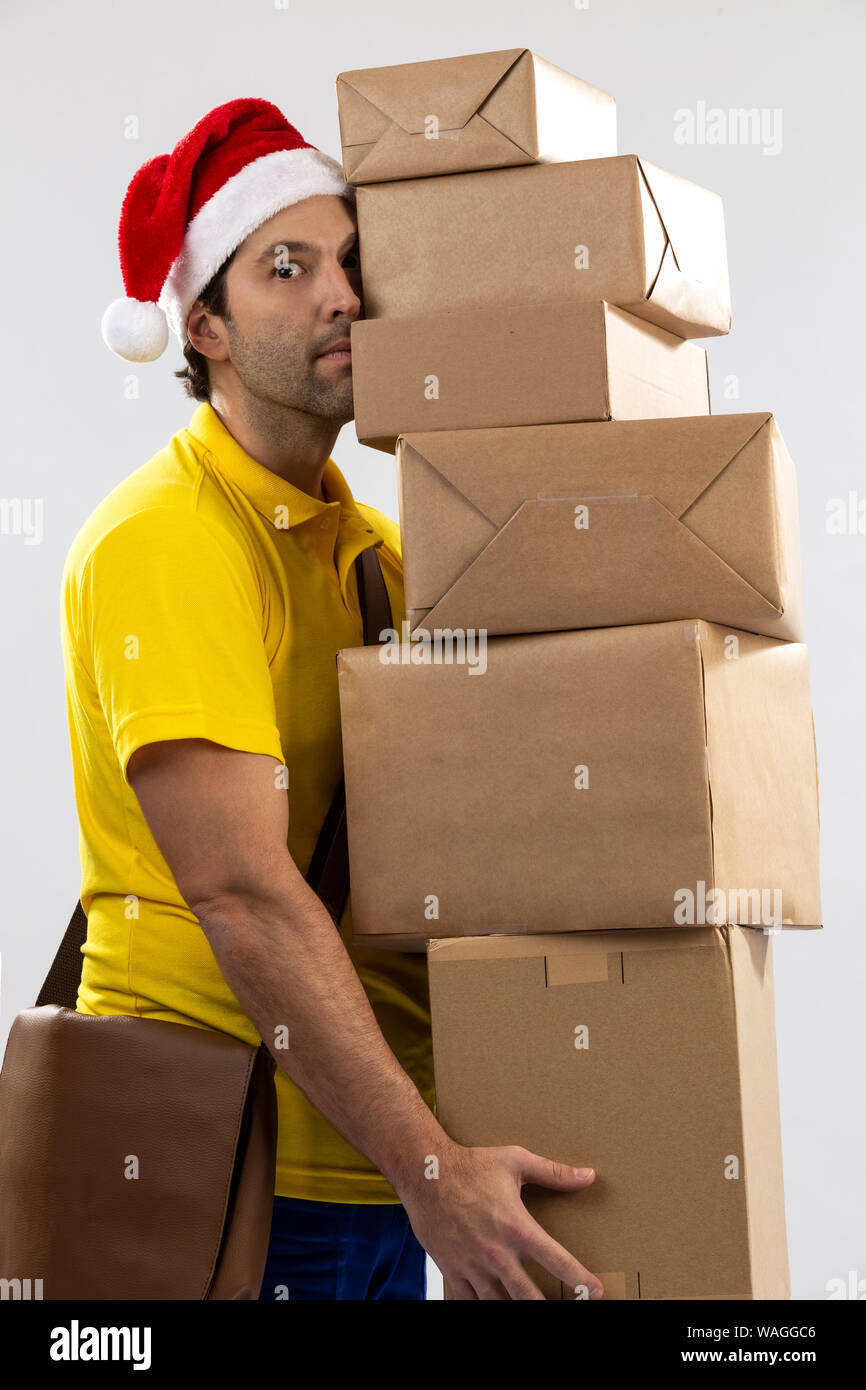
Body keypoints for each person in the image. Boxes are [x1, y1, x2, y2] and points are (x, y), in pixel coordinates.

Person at [61, 96, 603, 1301]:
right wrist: (433, 1173)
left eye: (353, 261)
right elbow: (240, 891)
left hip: (370, 1165)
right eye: (286, 267)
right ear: (199, 324)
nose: (340, 296)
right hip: (223, 1164)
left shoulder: (382, 550)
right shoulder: (169, 539)